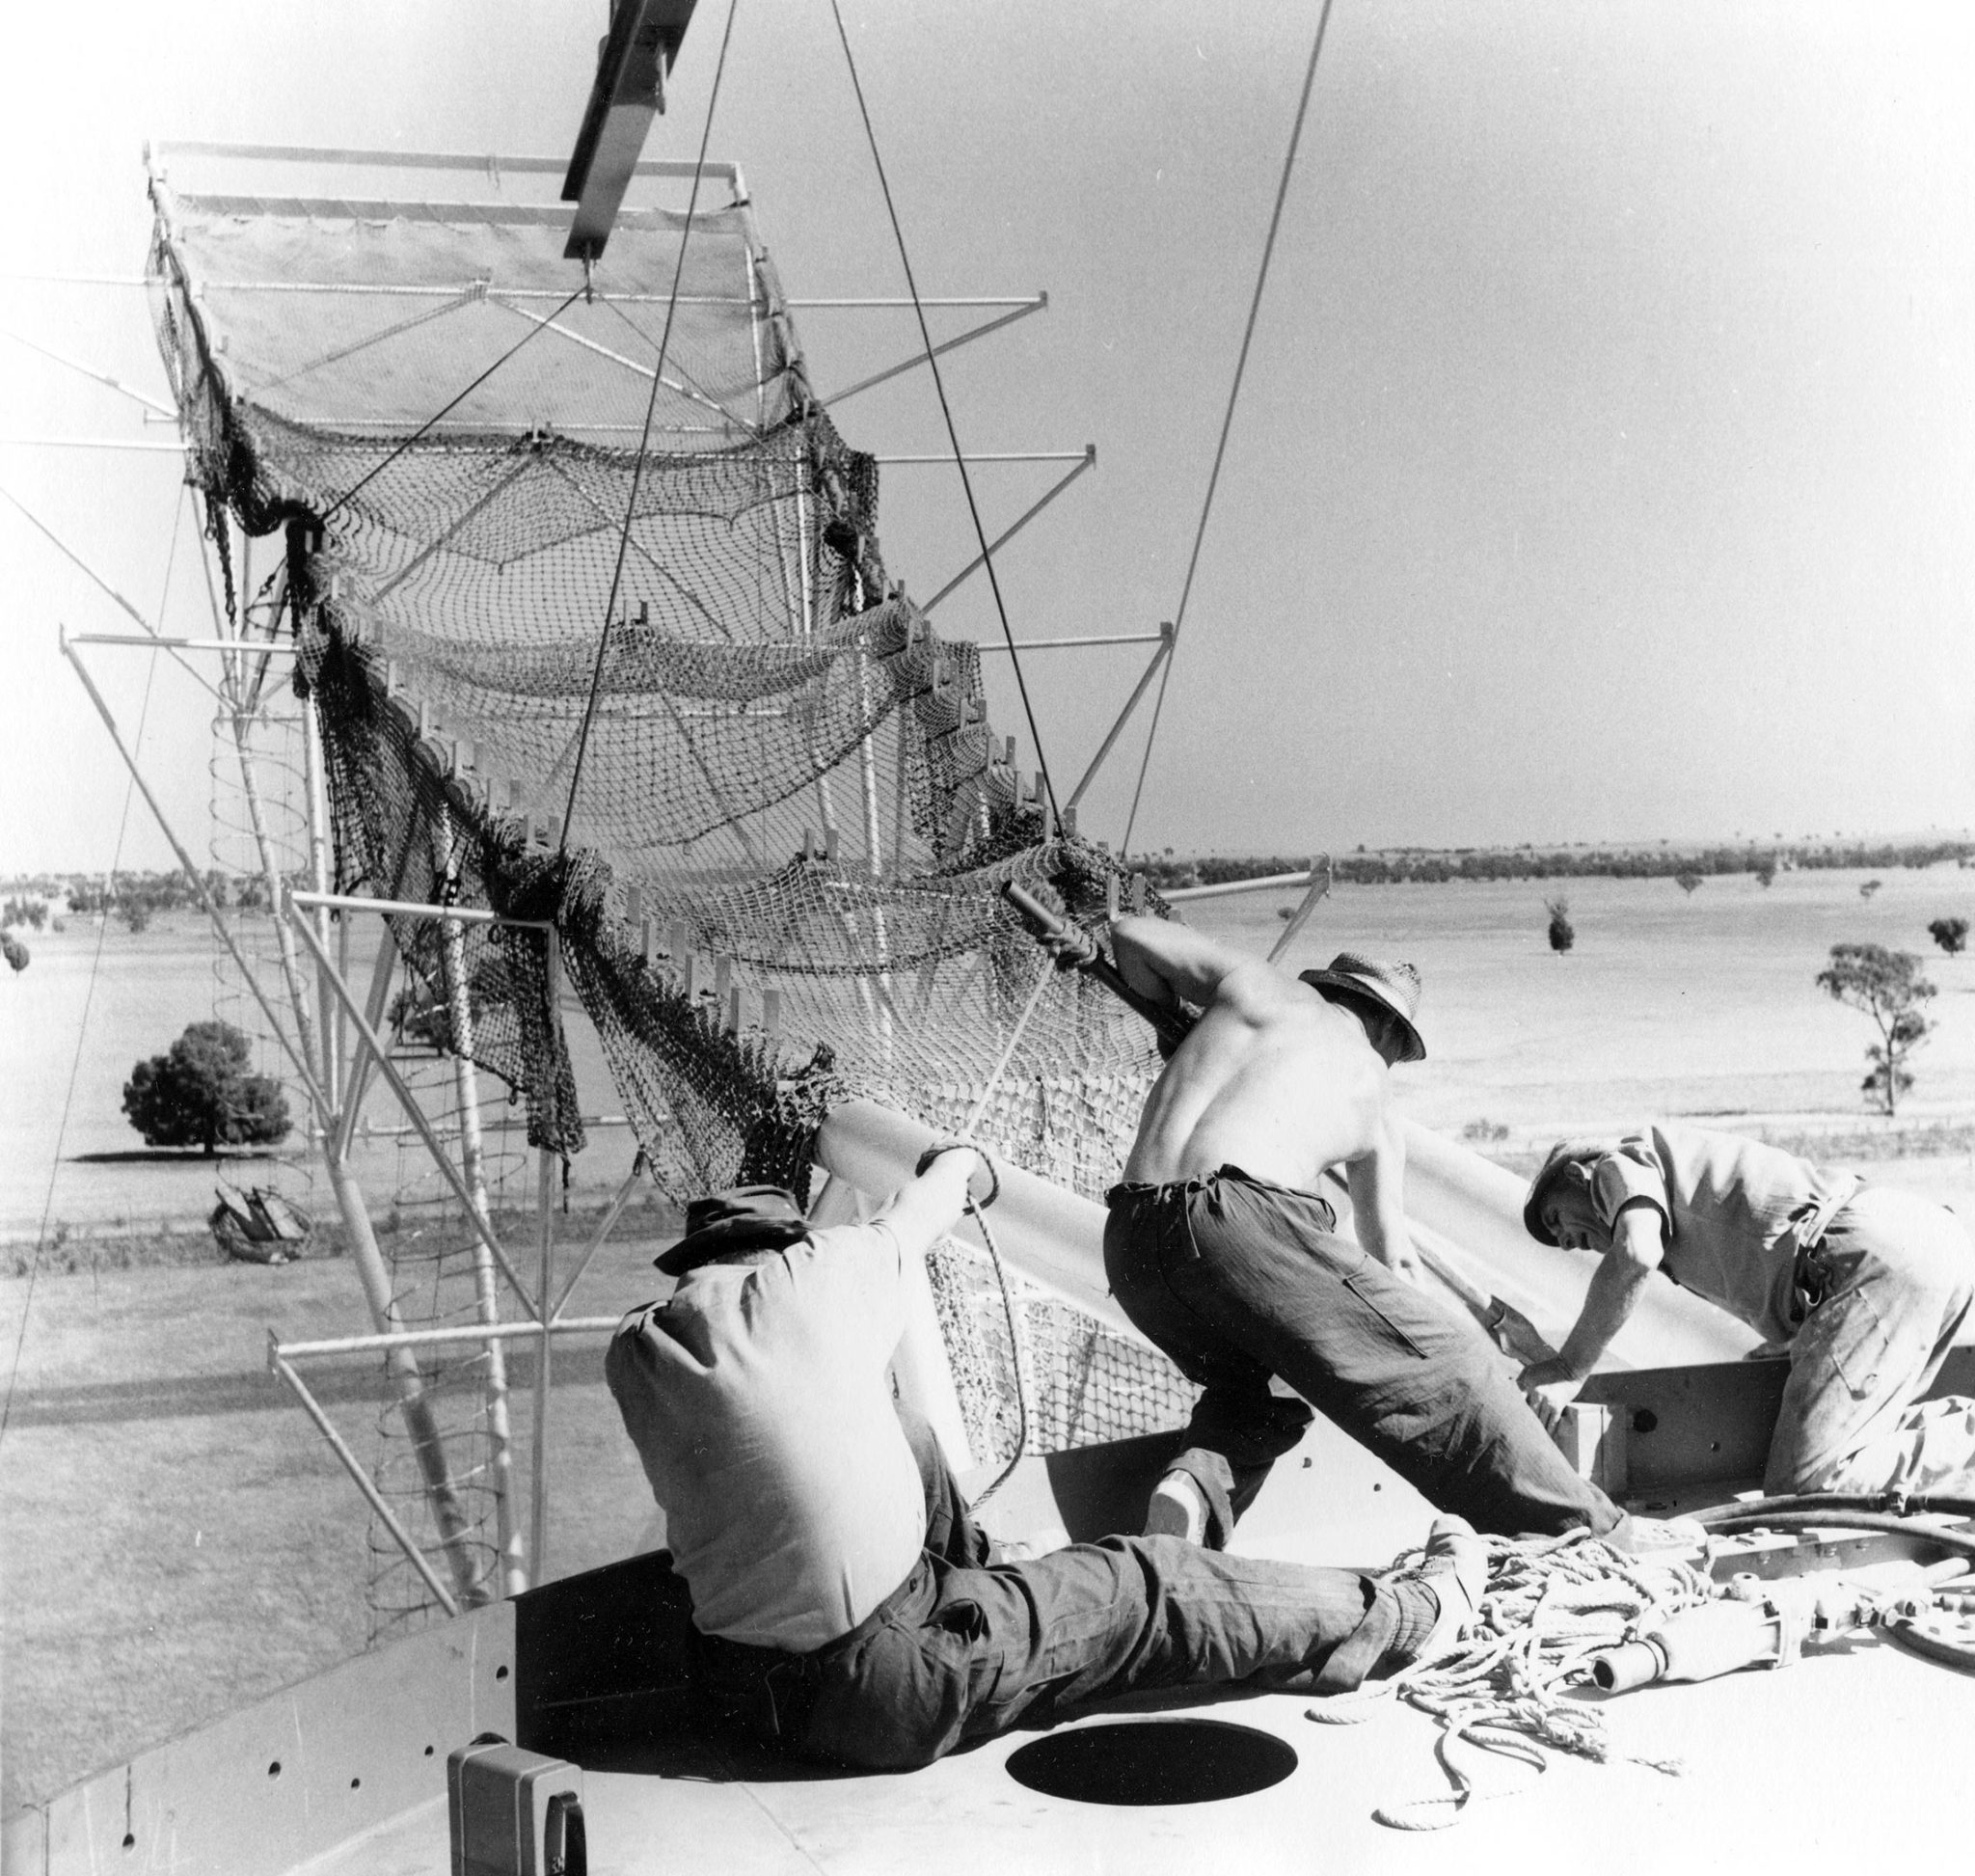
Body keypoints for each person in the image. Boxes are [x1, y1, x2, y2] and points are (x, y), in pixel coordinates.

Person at [604, 1151, 1487, 1773]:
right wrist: (964, 1164)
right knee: (1150, 1583)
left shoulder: (638, 1348)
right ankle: (1409, 1613)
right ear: (787, 1245)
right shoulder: (814, 1277)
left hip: (731, 1688)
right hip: (877, 1689)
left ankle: (986, 1576)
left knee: (899, 1424)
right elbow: (933, 1201)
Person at [1089, 917, 1682, 1553]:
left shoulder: (1252, 986)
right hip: (1239, 1228)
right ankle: (1596, 1531)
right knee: (1447, 1370)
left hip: (1131, 1241)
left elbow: (1130, 938)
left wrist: (1173, 1026)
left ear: (1332, 990)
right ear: (1387, 1032)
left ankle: (1192, 1489)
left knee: (1262, 1394)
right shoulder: (1371, 1092)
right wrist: (1476, 1355)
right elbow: (1394, 1267)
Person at [1521, 1125, 1975, 1496]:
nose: (1564, 1242)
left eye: (1556, 1219)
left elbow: (1636, 1253)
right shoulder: (1664, 1177)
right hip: (1924, 1237)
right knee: (1872, 1432)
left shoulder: (1614, 1167)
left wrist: (1569, 1366)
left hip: (1870, 1258)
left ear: (1578, 1175)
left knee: (1805, 1486)